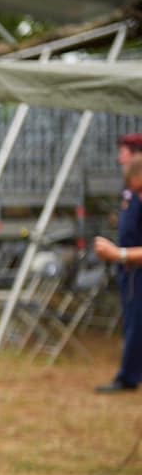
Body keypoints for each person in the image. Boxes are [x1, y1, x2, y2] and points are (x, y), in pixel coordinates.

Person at [95, 144, 142, 393]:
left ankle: (128, 377)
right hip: (131, 270)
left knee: (136, 323)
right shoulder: (131, 195)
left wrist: (118, 254)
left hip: (135, 270)